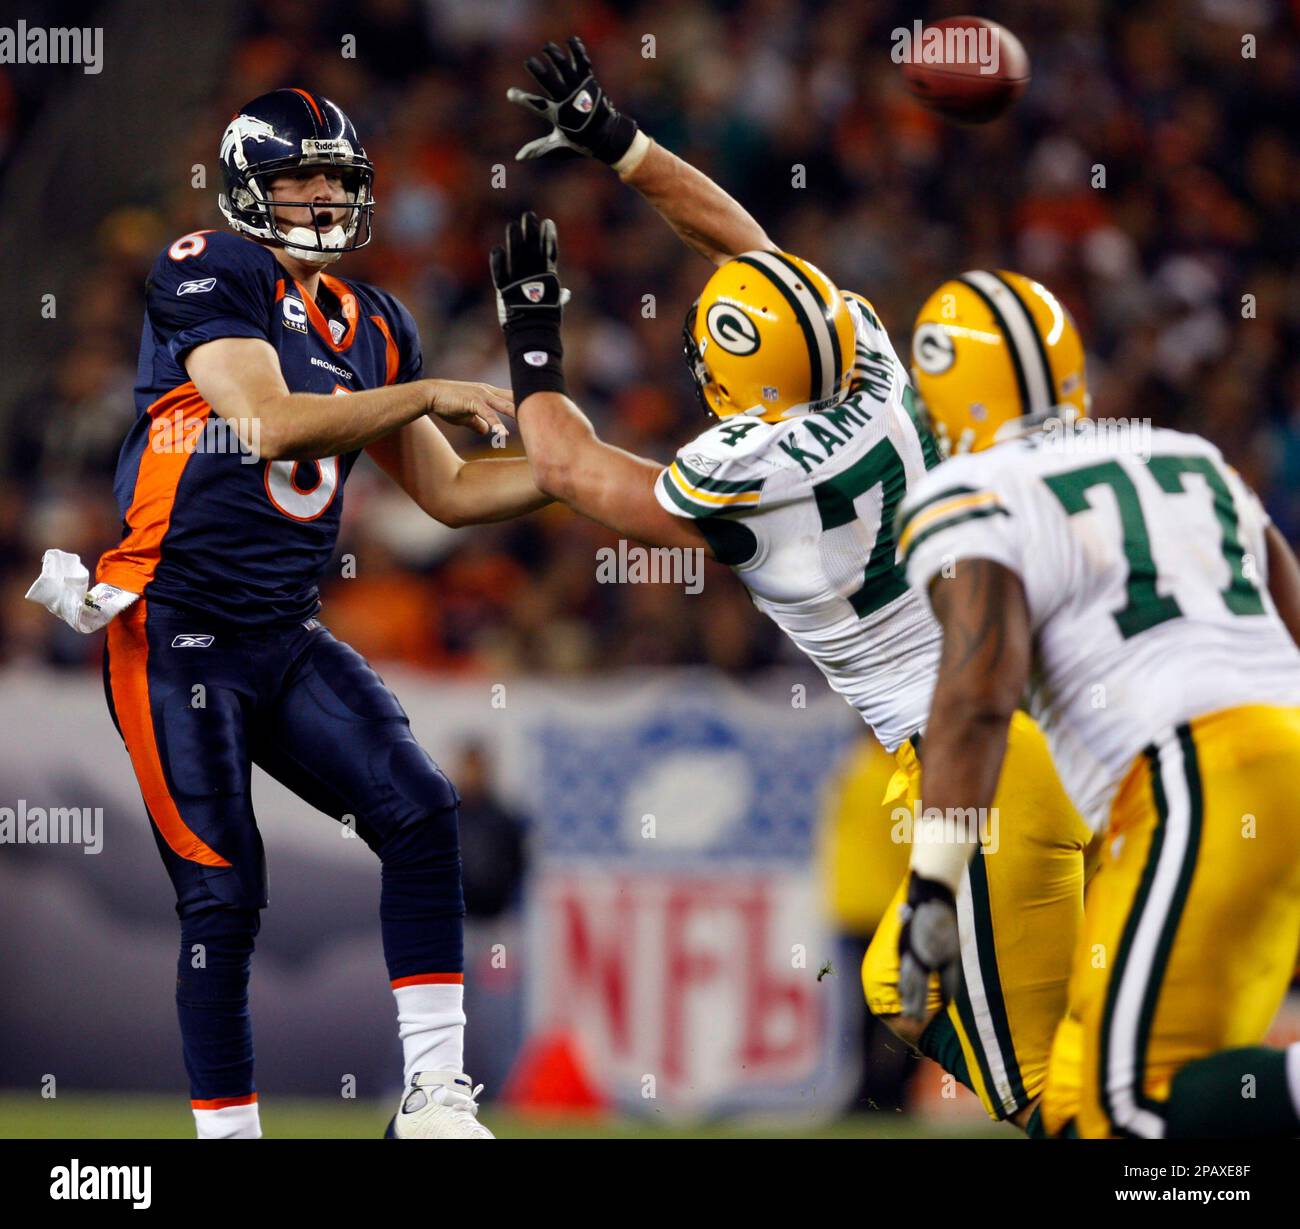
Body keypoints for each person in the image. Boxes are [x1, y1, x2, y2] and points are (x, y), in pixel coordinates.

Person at [493, 37, 1089, 1131]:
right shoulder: (870, 359)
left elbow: (566, 466)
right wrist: (618, 142)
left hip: (977, 759)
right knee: (978, 1009)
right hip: (1064, 708)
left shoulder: (748, 466)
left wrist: (532, 334)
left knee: (1040, 1088)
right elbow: (754, 252)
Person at [30, 88, 550, 1139]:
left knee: (421, 807)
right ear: (244, 190)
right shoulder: (205, 268)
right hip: (173, 628)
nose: (318, 198)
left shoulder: (379, 324)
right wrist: (427, 391)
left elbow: (451, 493)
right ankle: (229, 1136)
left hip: (280, 629)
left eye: (334, 181)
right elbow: (265, 423)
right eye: (296, 180)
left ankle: (435, 1102)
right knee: (224, 893)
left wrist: (599, 473)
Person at [892, 270, 1300, 1137]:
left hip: (1193, 776)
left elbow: (978, 694)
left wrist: (931, 884)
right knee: (1088, 1109)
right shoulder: (1187, 455)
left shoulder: (966, 493)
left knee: (1123, 1108)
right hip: (1270, 756)